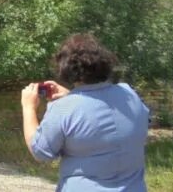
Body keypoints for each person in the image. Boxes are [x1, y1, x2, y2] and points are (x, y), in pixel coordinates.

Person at [21, 33, 150, 192]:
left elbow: (40, 152)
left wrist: (28, 108)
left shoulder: (63, 108)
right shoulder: (130, 94)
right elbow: (102, 108)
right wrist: (72, 96)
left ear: (65, 68)